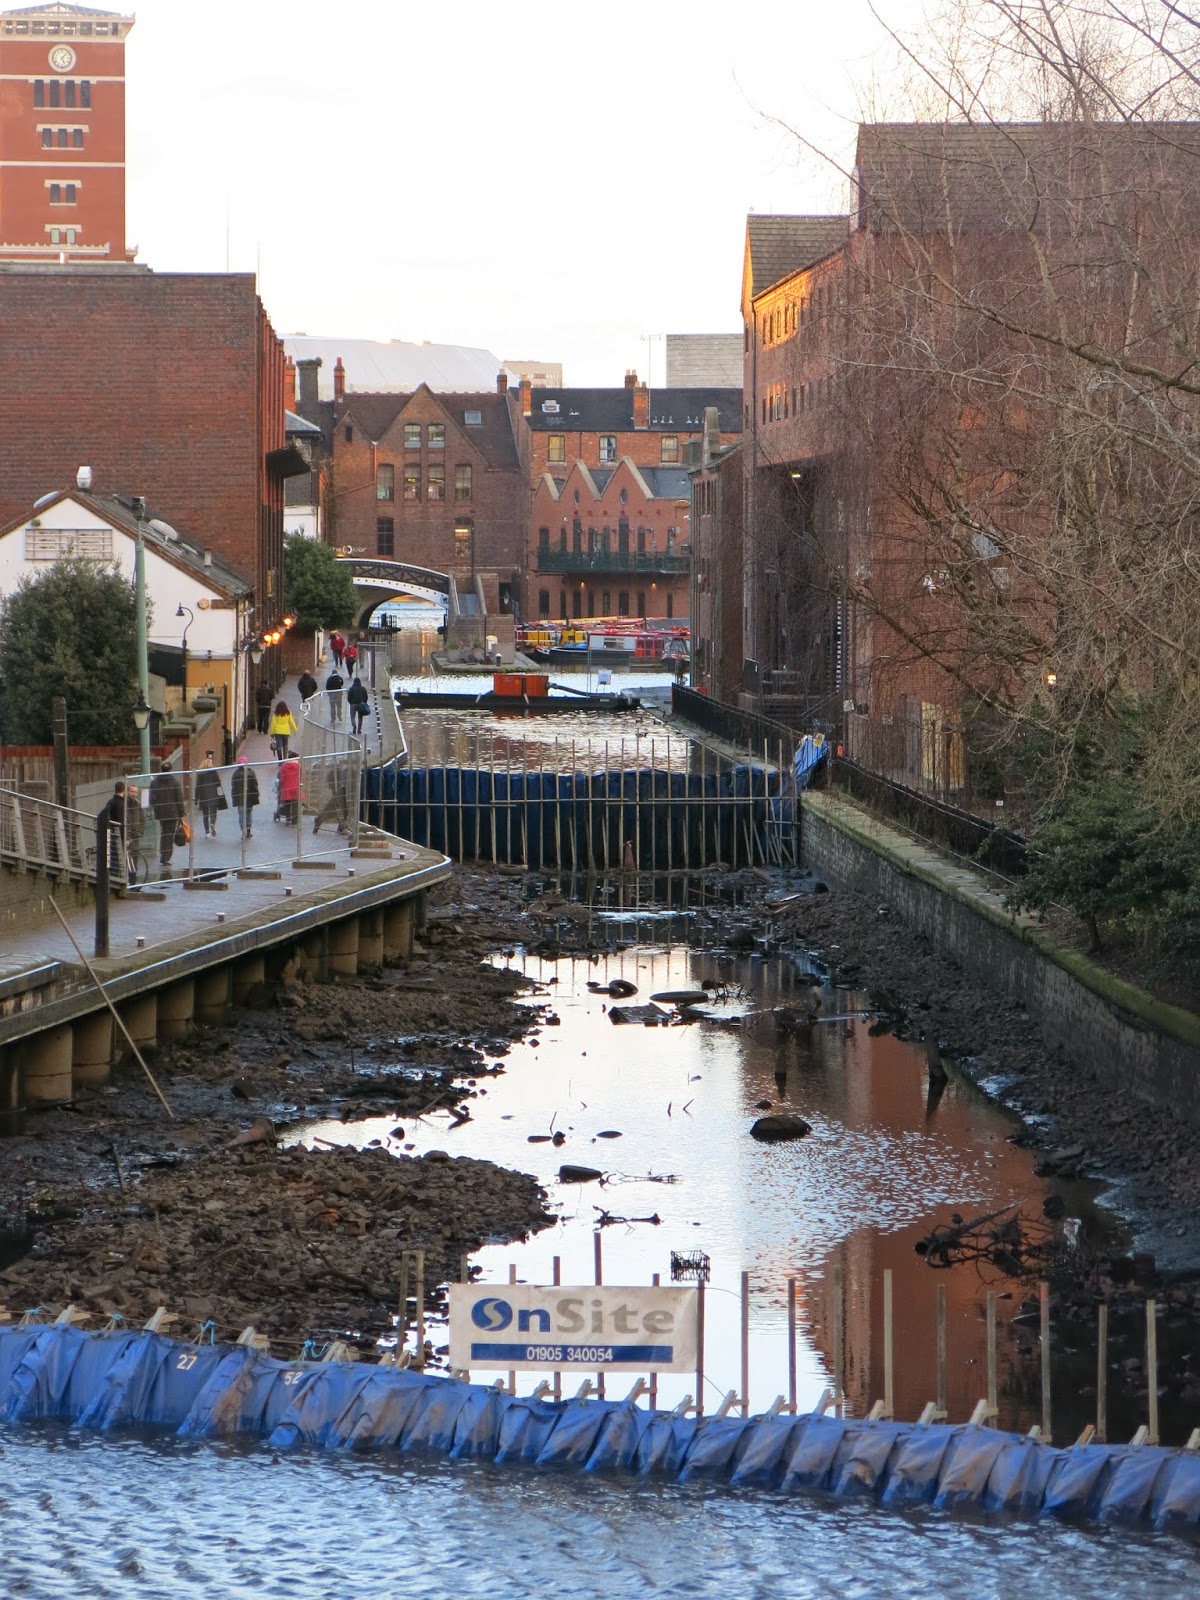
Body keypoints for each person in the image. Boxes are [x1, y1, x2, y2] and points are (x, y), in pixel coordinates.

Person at [148, 759, 186, 879]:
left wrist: (156, 806)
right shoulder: (175, 782)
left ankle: (162, 855)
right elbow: (179, 799)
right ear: (170, 770)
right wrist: (181, 813)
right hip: (172, 812)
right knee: (169, 834)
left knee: (164, 832)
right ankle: (166, 857)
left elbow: (151, 799)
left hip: (160, 812)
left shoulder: (154, 782)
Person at [193, 750, 224, 837]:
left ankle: (207, 832)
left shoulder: (200, 774)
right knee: (213, 812)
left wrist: (196, 799)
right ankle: (212, 823)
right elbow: (218, 783)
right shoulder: (213, 772)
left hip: (203, 796)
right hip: (213, 794)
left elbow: (198, 786)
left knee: (205, 814)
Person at [98, 780, 126, 874]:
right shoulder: (120, 803)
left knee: (111, 856)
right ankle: (114, 876)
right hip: (116, 833)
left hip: (108, 831)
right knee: (116, 856)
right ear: (124, 790)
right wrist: (125, 837)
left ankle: (111, 874)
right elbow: (120, 821)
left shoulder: (110, 802)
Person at [231, 757, 260, 838]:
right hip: (250, 797)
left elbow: (233, 786)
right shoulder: (251, 772)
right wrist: (256, 795)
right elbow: (255, 785)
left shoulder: (235, 774)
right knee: (248, 813)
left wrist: (234, 797)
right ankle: (248, 830)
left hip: (239, 798)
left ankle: (243, 831)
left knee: (241, 814)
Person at [276, 757, 301, 826]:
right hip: (296, 788)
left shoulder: (284, 766)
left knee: (287, 805)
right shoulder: (299, 766)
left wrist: (281, 785)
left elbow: (282, 778)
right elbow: (301, 777)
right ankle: (295, 821)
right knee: (295, 805)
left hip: (287, 788)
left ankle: (288, 819)